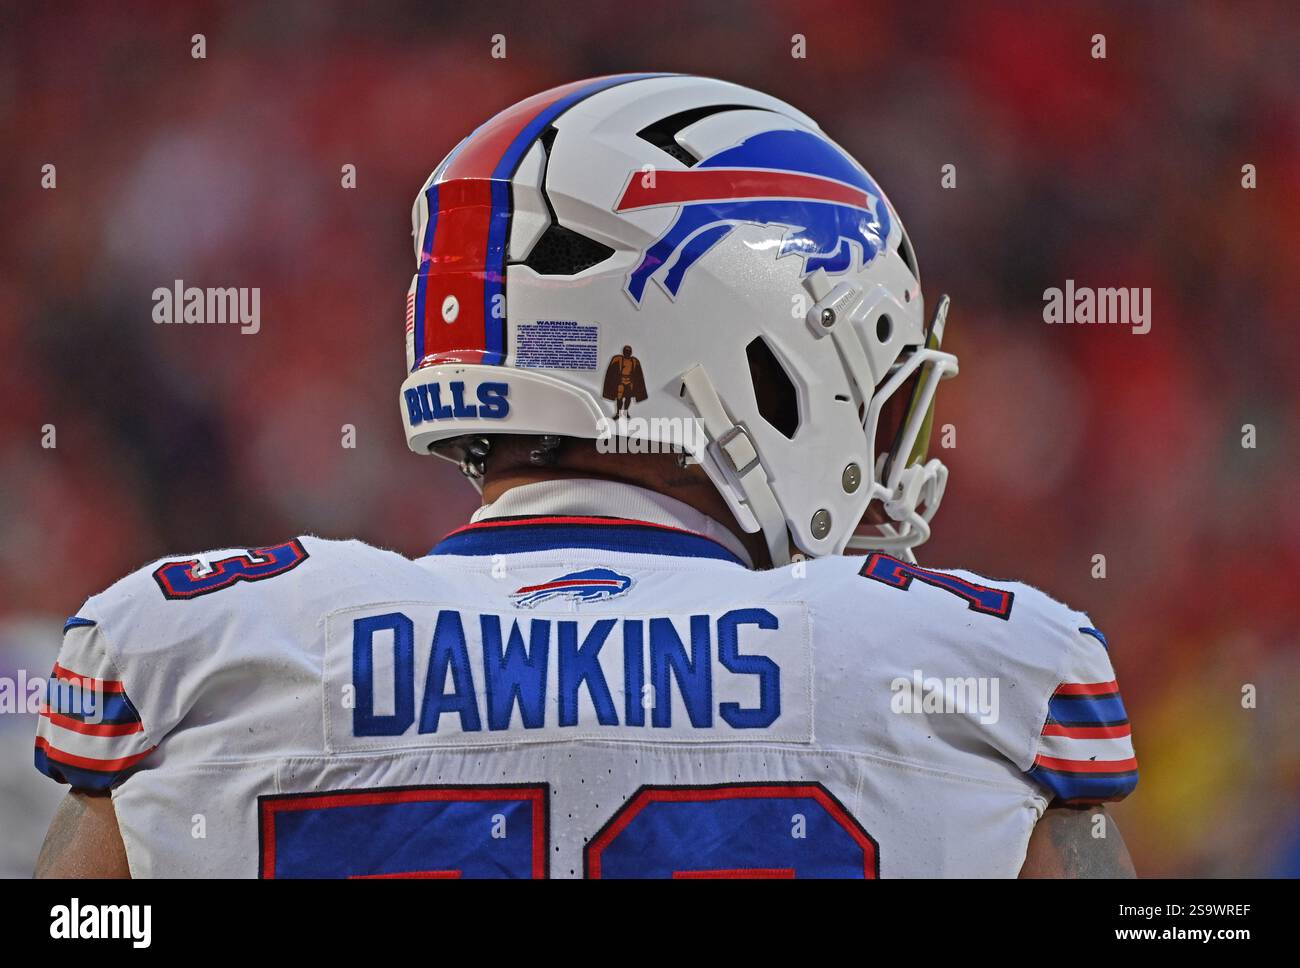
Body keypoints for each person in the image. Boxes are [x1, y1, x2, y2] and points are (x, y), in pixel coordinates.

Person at [34, 74, 1136, 878]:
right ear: (754, 361)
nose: (886, 442)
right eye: (871, 386)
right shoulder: (967, 676)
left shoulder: (210, 650)